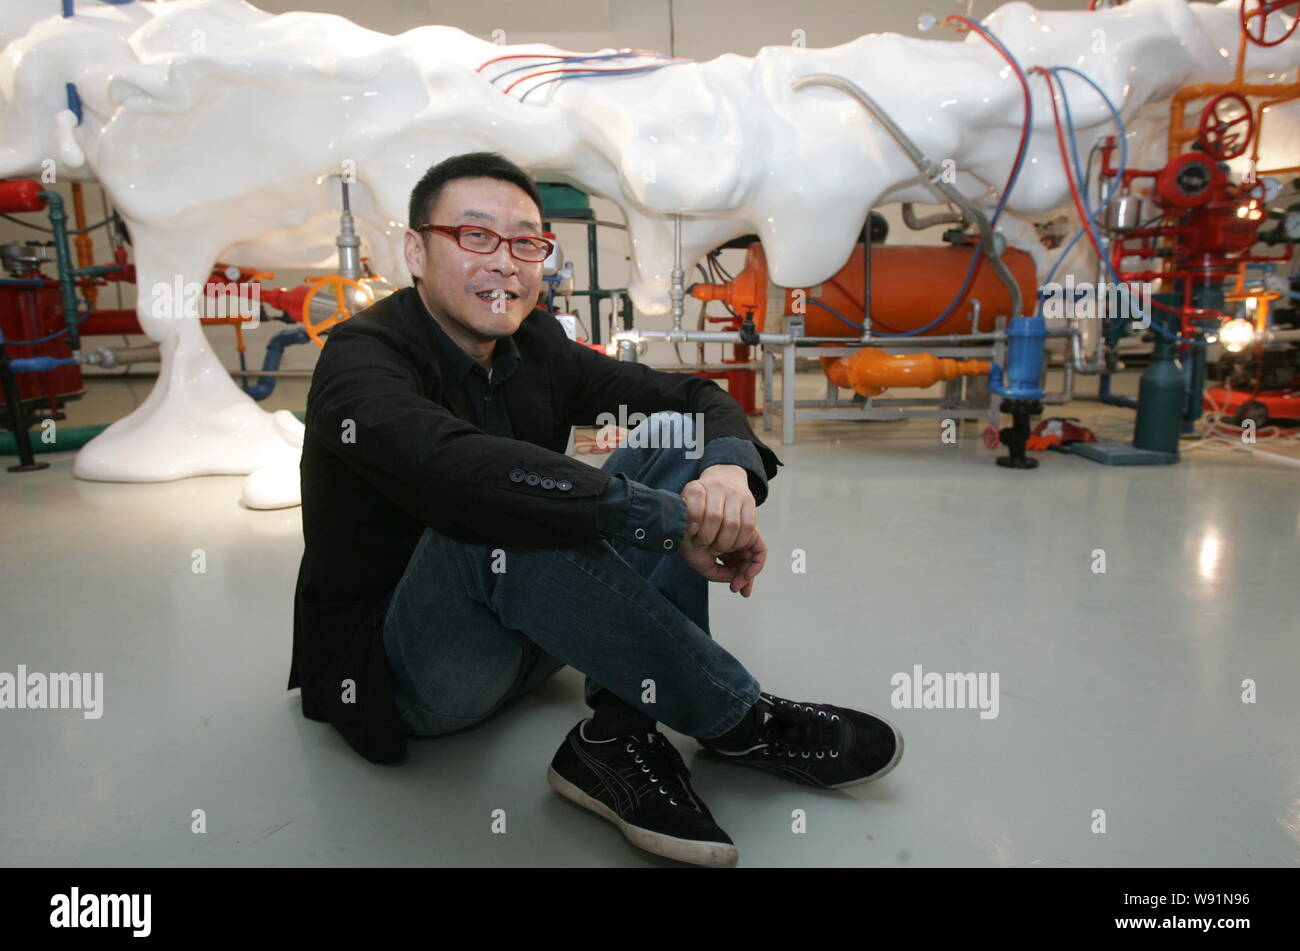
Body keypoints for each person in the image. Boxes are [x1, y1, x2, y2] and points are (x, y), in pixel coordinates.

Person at [287, 151, 903, 867]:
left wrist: (728, 469)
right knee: (498, 512)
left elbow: (693, 399)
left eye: (527, 243)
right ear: (416, 251)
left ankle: (615, 736)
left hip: (534, 638)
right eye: (477, 236)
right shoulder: (361, 361)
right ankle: (739, 718)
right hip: (415, 672)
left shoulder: (535, 344)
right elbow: (456, 469)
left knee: (671, 438)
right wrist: (667, 520)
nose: (507, 264)